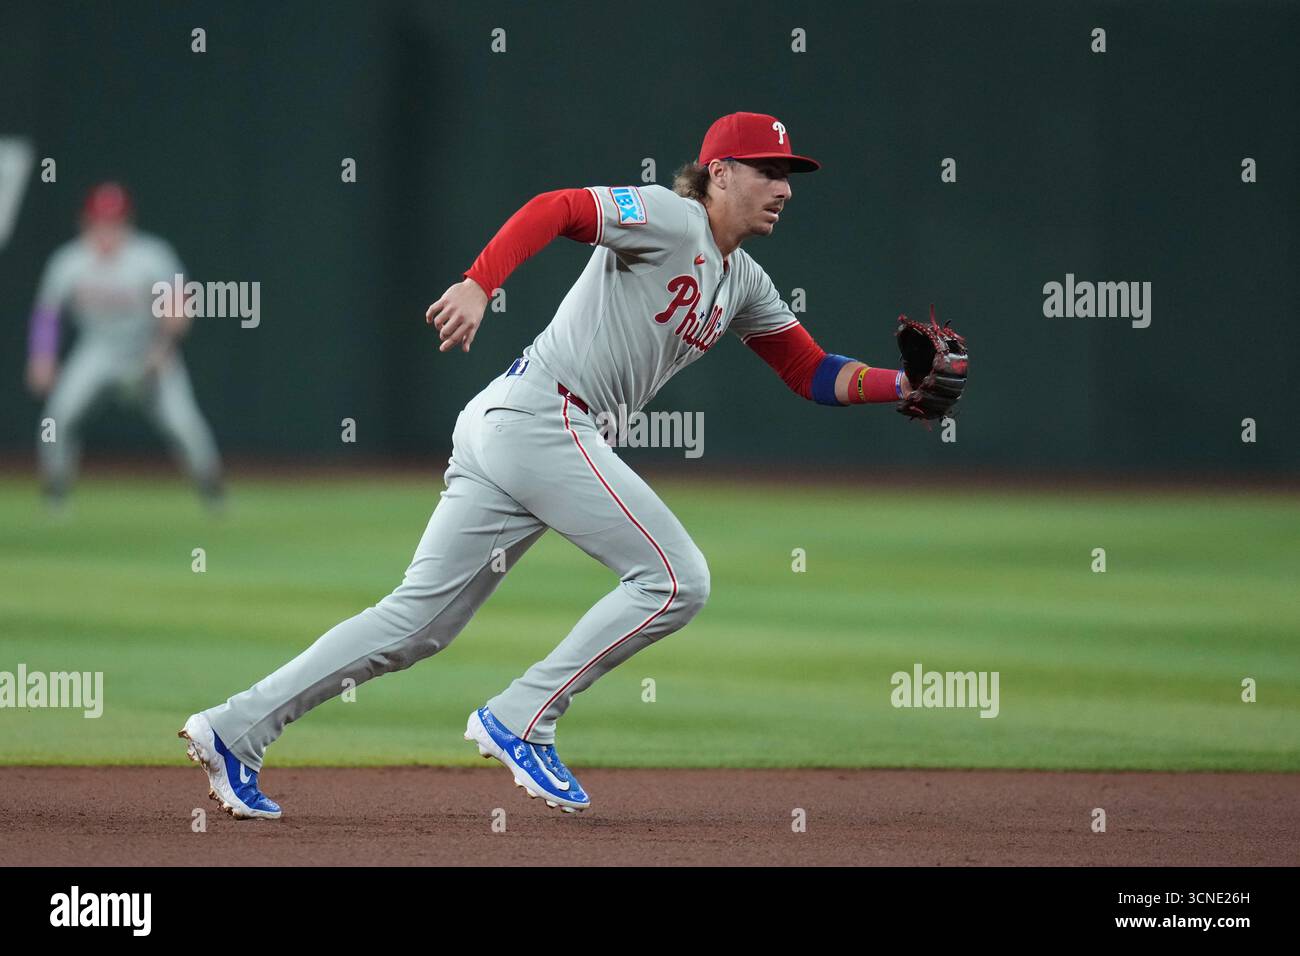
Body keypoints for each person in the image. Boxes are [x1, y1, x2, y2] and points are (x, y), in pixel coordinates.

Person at [179, 112, 913, 819]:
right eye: (769, 170)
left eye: (790, 174)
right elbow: (557, 207)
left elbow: (811, 371)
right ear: (719, 174)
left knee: (414, 625)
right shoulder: (669, 215)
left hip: (522, 426)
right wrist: (479, 281)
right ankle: (523, 716)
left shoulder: (744, 280)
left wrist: (902, 386)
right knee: (675, 579)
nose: (784, 187)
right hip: (544, 418)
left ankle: (233, 730)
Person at [25, 182, 224, 510]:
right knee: (57, 418)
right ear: (85, 222)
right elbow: (47, 313)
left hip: (149, 349)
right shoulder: (69, 261)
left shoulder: (151, 256)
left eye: (113, 222)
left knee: (186, 425)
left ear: (127, 223)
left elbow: (179, 311)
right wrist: (42, 357)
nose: (106, 230)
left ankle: (211, 490)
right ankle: (55, 492)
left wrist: (161, 352)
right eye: (98, 222)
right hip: (98, 350)